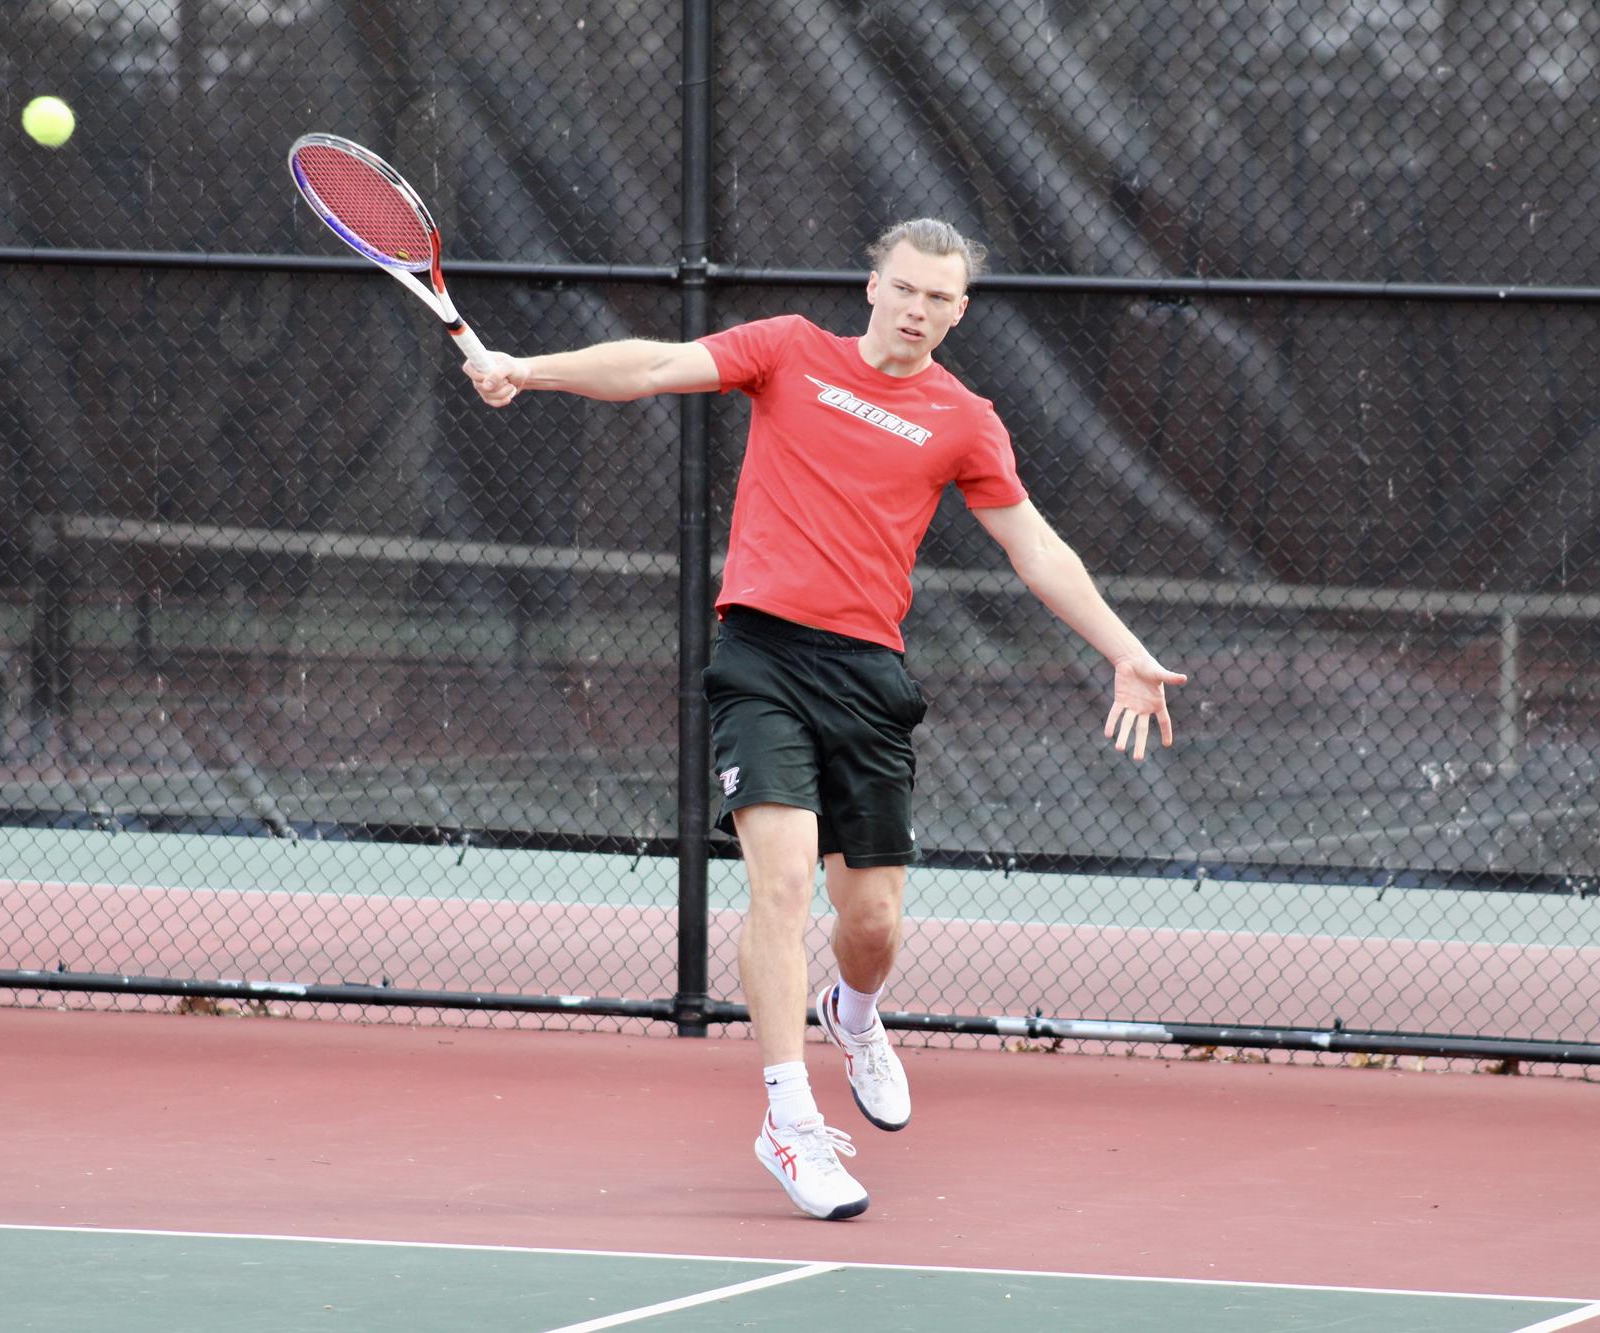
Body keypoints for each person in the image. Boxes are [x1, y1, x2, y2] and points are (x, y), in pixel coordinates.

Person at [464, 218, 1186, 1221]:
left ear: (958, 311)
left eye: (938, 297)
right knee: (782, 884)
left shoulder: (963, 419)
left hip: (866, 676)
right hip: (758, 655)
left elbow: (1037, 548)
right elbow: (655, 365)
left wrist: (1121, 648)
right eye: (903, 288)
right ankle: (788, 1119)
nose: (916, 308)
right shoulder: (789, 351)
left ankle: (851, 1010)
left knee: (873, 923)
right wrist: (527, 369)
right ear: (872, 287)